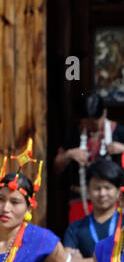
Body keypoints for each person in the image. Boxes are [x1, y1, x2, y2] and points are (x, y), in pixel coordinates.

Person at [53, 94, 123, 224]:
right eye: (87, 121)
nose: (91, 125)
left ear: (105, 113)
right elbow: (57, 166)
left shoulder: (119, 132)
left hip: (113, 201)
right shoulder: (76, 134)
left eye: (95, 121)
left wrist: (122, 148)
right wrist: (69, 154)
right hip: (81, 200)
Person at [61, 157, 123, 262]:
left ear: (118, 192)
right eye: (96, 188)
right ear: (88, 191)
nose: (102, 193)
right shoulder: (75, 228)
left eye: (107, 187)